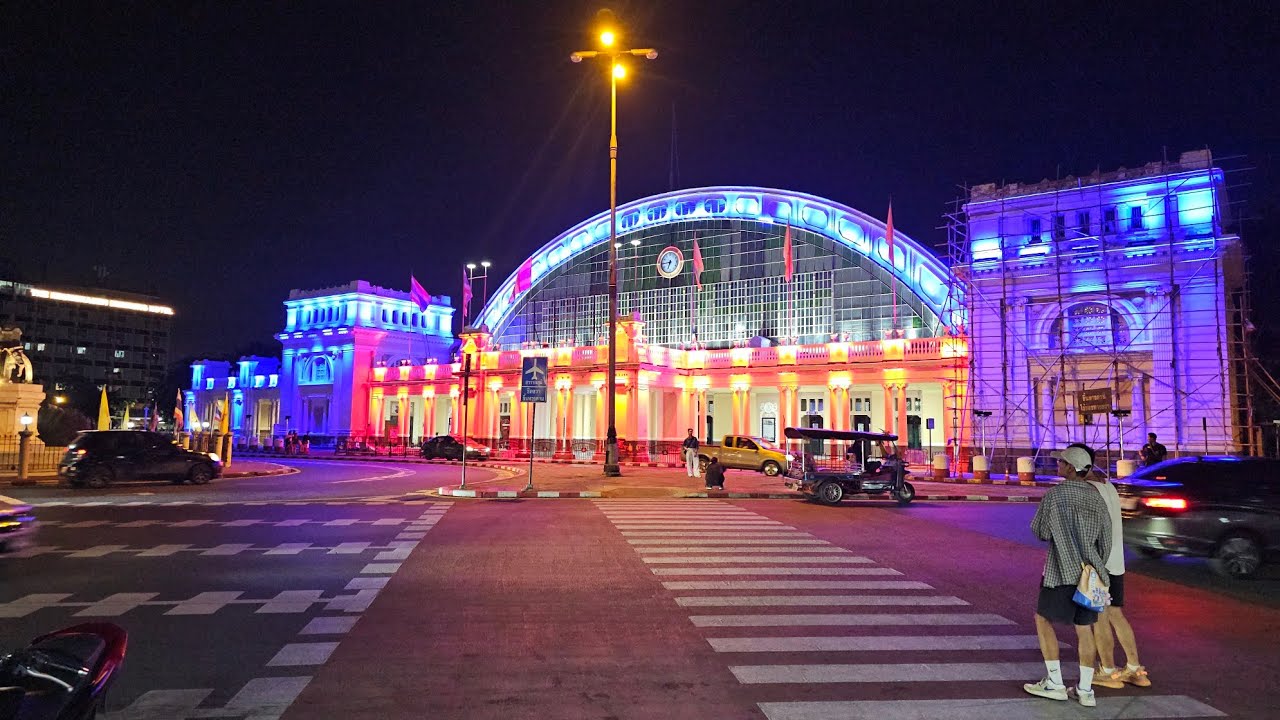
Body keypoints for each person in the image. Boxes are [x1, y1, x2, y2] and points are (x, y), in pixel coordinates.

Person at [1024, 443, 1112, 708]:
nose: (1058, 465)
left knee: (1042, 619)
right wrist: (1094, 566)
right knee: (1084, 628)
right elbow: (1106, 541)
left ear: (1071, 468)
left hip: (1059, 571)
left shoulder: (1055, 496)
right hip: (1090, 574)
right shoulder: (1096, 497)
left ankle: (1055, 682)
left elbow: (1039, 531)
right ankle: (1085, 690)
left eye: (1062, 462)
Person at [1088, 454, 1153, 690]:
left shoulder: (1087, 492)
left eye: (1064, 463)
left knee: (1099, 617)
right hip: (1116, 563)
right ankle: (1135, 669)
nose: (1060, 467)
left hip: (1098, 566)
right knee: (1116, 614)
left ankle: (1107, 671)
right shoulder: (1109, 488)